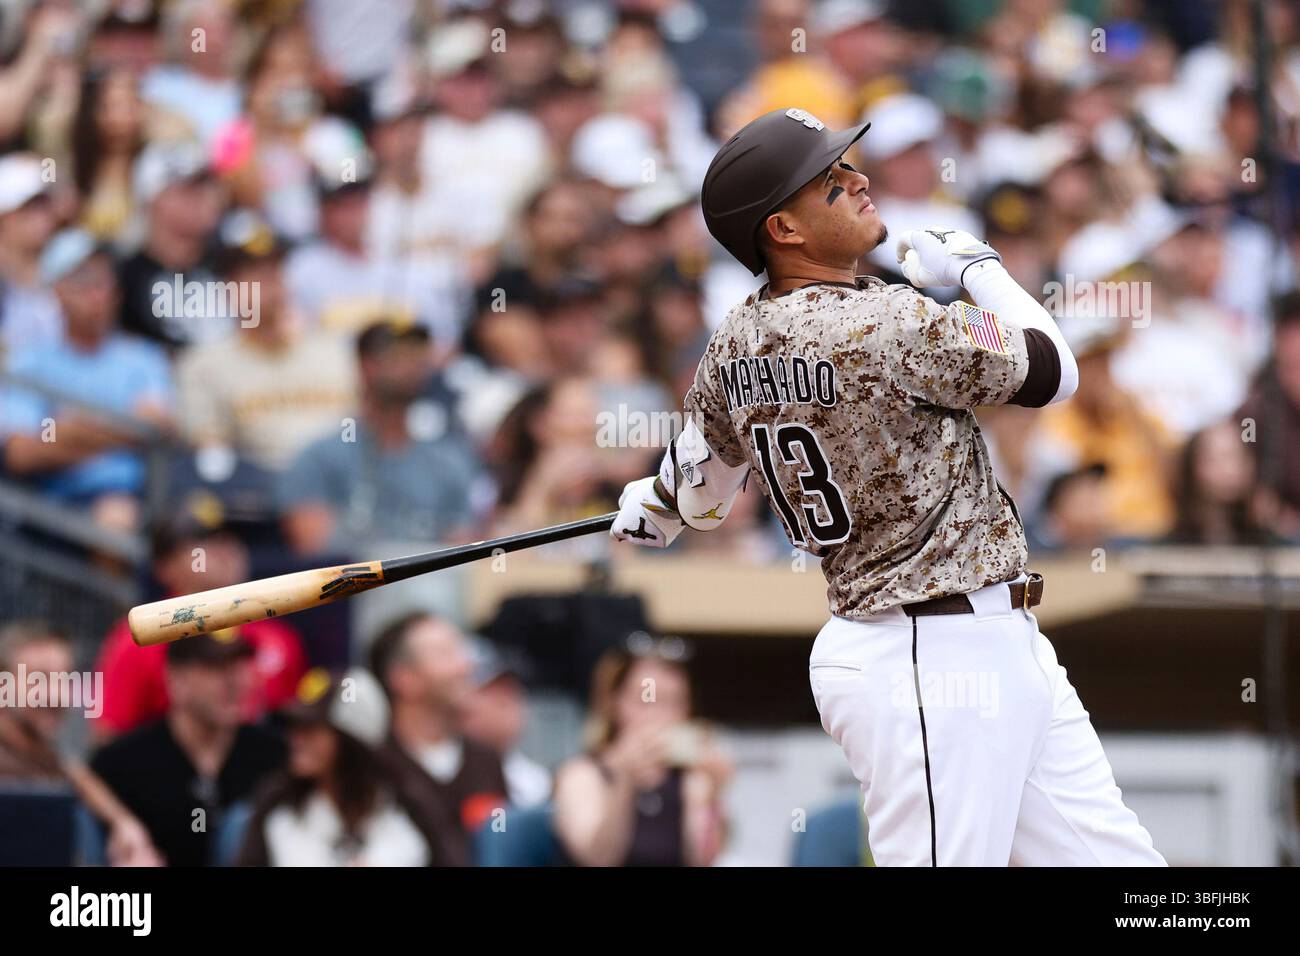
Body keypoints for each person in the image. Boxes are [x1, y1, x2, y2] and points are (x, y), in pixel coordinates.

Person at [610, 108, 1164, 866]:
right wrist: (977, 269)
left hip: (972, 638)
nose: (858, 180)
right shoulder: (889, 320)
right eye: (829, 182)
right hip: (924, 645)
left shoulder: (733, 340)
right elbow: (1053, 370)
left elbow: (702, 494)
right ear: (784, 230)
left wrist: (657, 504)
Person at [1, 228, 173, 531]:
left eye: (103, 280)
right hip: (55, 509)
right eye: (83, 280)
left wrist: (76, 429)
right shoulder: (27, 362)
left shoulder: (144, 356)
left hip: (143, 502)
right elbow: (20, 454)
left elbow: (159, 428)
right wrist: (125, 431)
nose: (97, 293)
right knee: (114, 517)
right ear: (57, 291)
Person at [92, 512, 307, 742]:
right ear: (165, 567)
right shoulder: (142, 635)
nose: (226, 549)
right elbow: (109, 737)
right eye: (207, 542)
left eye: (231, 538)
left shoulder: (279, 637)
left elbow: (299, 732)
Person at [277, 318, 484, 555]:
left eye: (416, 354)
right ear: (365, 365)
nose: (410, 364)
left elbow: (462, 550)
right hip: (353, 588)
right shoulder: (320, 457)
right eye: (395, 354)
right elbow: (313, 547)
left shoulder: (449, 461)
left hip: (431, 586)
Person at [90, 632, 286, 867]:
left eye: (241, 665)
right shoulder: (126, 760)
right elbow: (80, 777)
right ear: (176, 678)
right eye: (216, 667)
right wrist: (122, 821)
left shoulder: (275, 754)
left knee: (241, 823)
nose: (236, 681)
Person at [552, 644, 731, 867]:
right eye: (647, 700)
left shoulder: (688, 779)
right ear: (615, 703)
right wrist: (624, 781)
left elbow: (703, 860)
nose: (659, 716)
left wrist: (712, 797)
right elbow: (597, 859)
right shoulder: (581, 774)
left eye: (673, 702)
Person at [0, 621, 162, 866]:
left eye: (64, 678)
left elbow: (73, 771)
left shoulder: (44, 757)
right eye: (38, 680)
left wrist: (125, 825)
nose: (57, 695)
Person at [237, 668, 433, 866]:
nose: (295, 740)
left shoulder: (404, 804)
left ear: (351, 740)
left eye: (311, 729)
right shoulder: (279, 809)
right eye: (294, 727)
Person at [368, 612, 508, 867]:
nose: (466, 665)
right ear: (404, 679)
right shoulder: (370, 768)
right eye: (446, 654)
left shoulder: (486, 761)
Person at [458, 637, 551, 810]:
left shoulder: (536, 779)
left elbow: (498, 827)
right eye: (492, 688)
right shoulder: (444, 769)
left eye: (513, 686)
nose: (509, 697)